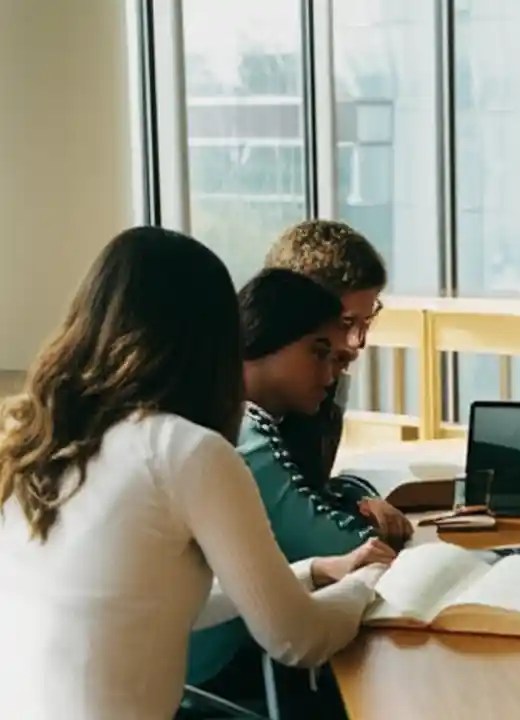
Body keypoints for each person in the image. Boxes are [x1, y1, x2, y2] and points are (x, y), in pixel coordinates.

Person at [0, 227, 387, 719]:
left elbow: (155, 604)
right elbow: (298, 640)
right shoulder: (186, 450)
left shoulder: (42, 443)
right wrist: (370, 582)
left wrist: (310, 572)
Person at [187, 268, 403, 704]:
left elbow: (313, 494)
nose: (332, 374)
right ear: (260, 340)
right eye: (319, 354)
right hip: (204, 682)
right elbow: (315, 537)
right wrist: (380, 558)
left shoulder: (243, 423)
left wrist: (355, 498)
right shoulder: (244, 434)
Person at [264, 220, 411, 543]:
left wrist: (358, 499)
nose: (357, 344)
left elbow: (311, 485)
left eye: (367, 322)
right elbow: (300, 530)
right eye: (346, 323)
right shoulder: (239, 418)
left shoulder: (322, 386)